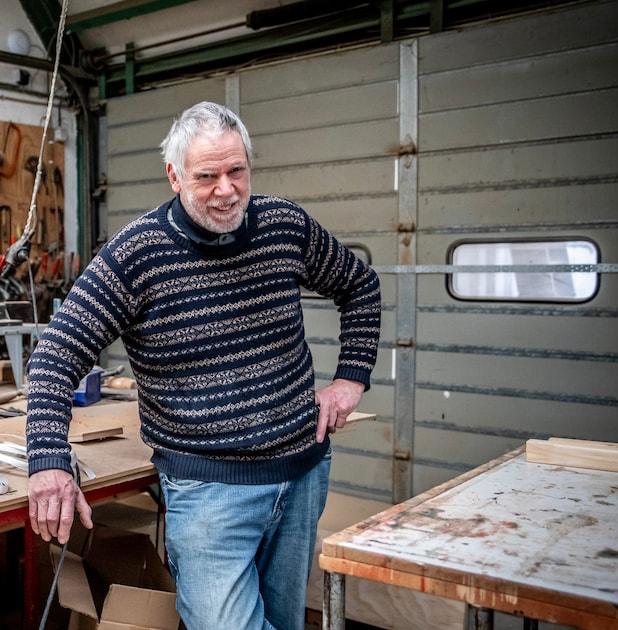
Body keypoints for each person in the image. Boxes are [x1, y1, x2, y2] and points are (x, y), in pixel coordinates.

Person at [25, 101, 381, 629]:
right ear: (174, 176)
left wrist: (350, 380)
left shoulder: (283, 224)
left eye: (237, 170)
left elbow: (360, 284)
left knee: (285, 620)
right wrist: (50, 461)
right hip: (208, 493)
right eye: (207, 175)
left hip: (302, 474)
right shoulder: (136, 255)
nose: (227, 189)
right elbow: (54, 356)